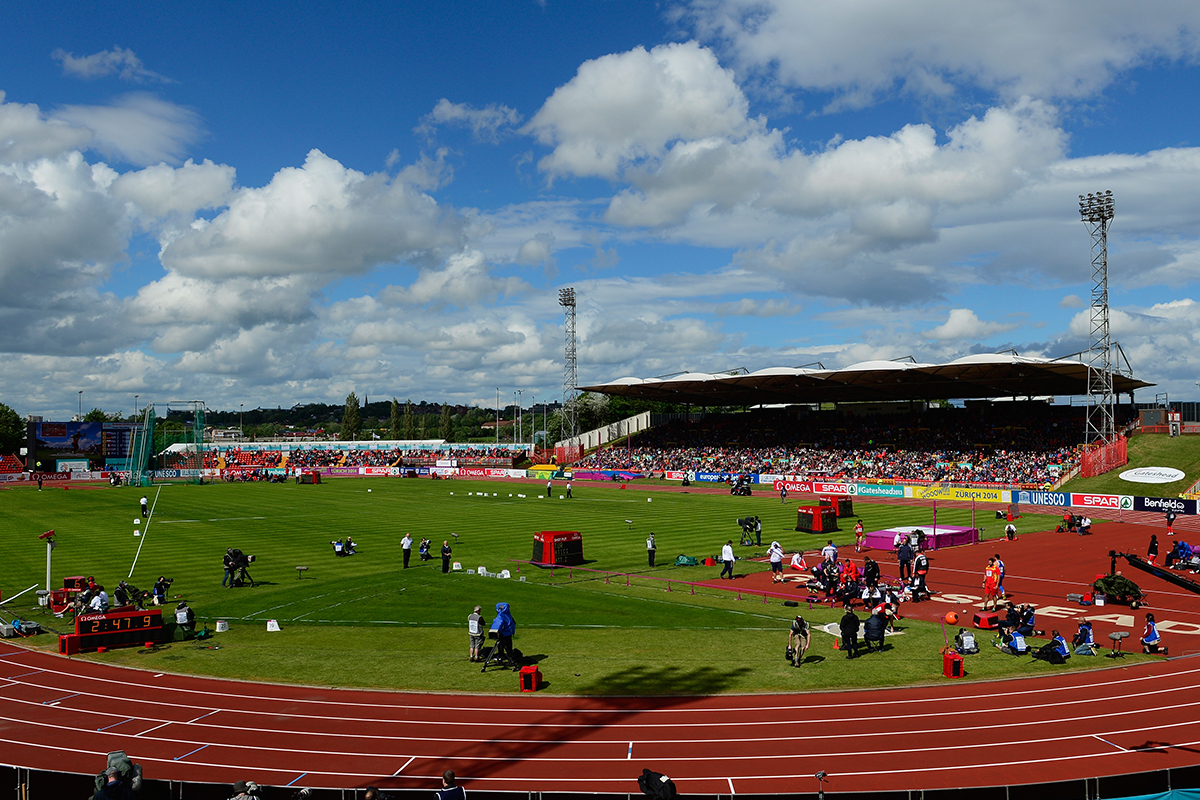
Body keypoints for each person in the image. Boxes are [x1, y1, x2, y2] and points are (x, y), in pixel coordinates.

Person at [490, 601, 518, 671]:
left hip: (503, 634)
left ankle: (501, 657)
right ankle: (510, 659)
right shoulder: (508, 615)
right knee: (508, 648)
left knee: (502, 646)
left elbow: (498, 623)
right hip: (508, 633)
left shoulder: (500, 616)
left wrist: (493, 631)